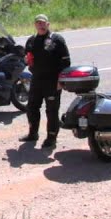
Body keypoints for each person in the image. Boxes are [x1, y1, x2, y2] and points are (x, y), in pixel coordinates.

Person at [21, 13, 71, 149]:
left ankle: (51, 138)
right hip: (36, 79)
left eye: (43, 23)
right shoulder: (31, 41)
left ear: (48, 24)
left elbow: (66, 61)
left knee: (51, 111)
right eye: (38, 23)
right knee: (31, 107)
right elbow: (28, 57)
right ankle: (33, 134)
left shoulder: (57, 39)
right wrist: (26, 61)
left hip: (52, 81)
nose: (40, 25)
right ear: (35, 25)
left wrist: (61, 80)